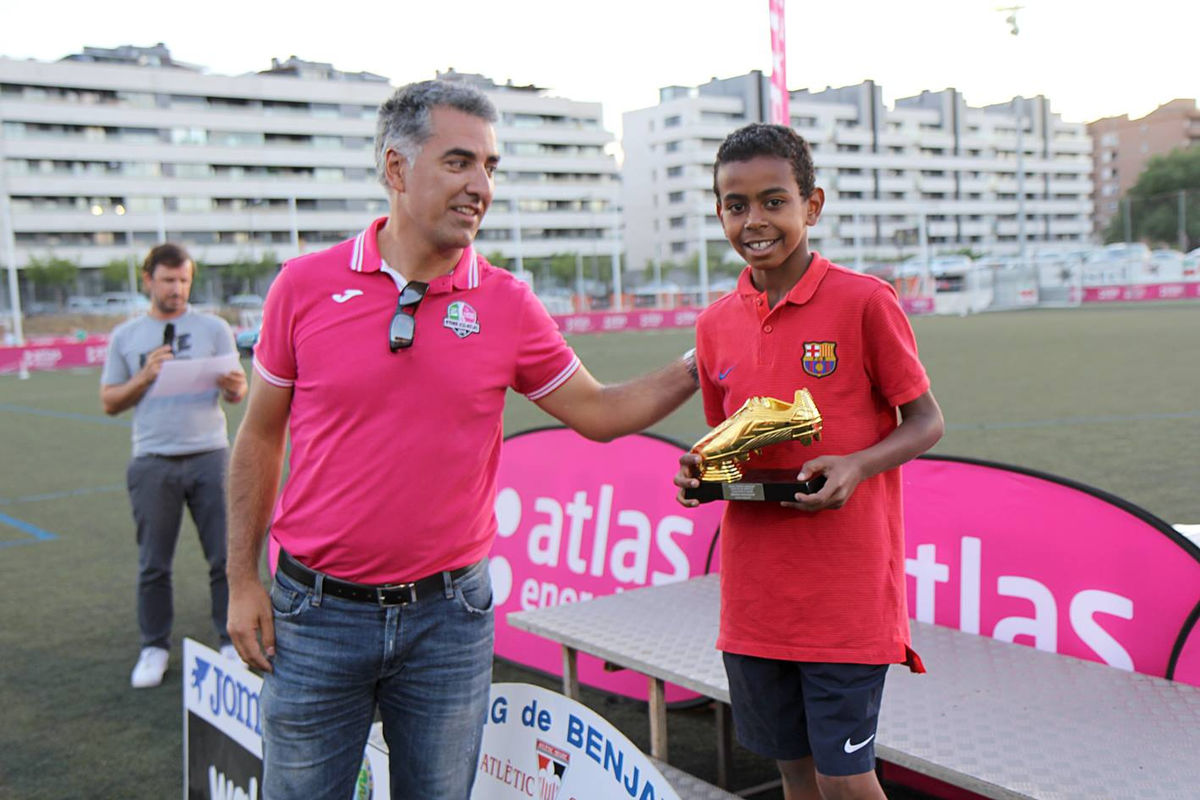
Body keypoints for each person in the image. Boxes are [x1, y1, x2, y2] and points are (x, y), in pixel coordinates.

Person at [225, 79, 698, 800]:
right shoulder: (303, 287)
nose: (481, 185)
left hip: (450, 621)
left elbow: (599, 411)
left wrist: (702, 362)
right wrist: (242, 579)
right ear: (395, 169)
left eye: (490, 166)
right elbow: (259, 437)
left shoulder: (507, 302)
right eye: (458, 162)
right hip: (314, 614)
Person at [674, 123, 944, 800]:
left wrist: (856, 464)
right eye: (736, 205)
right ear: (719, 212)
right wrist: (701, 475)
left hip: (845, 602)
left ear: (811, 206)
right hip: (755, 604)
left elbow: (927, 422)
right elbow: (735, 450)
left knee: (846, 782)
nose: (754, 220)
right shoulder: (714, 325)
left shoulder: (863, 302)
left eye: (773, 201)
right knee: (795, 779)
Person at [100, 243, 247, 688]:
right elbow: (109, 402)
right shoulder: (126, 336)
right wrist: (144, 377)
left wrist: (235, 386)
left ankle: (228, 638)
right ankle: (154, 646)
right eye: (168, 280)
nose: (177, 289)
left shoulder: (214, 328)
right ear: (148, 281)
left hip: (210, 454)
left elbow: (236, 393)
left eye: (184, 280)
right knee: (153, 563)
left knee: (224, 554)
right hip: (153, 459)